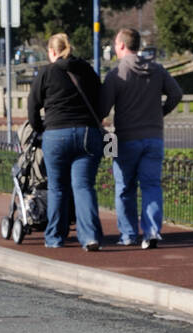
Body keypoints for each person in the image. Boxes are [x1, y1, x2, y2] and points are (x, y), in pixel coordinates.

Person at [99, 27, 183, 249]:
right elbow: (176, 94)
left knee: (124, 187)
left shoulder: (117, 74)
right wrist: (160, 112)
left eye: (116, 45)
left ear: (123, 45)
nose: (115, 49)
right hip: (154, 136)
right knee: (151, 185)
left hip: (126, 137)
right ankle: (152, 231)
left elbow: (103, 109)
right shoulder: (157, 70)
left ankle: (128, 235)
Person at [26, 33, 104, 251]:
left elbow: (33, 107)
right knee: (83, 186)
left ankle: (55, 237)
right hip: (87, 133)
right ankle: (90, 237)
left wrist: (40, 129)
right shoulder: (87, 70)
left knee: (57, 188)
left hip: (56, 134)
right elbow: (101, 99)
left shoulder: (46, 72)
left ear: (52, 52)